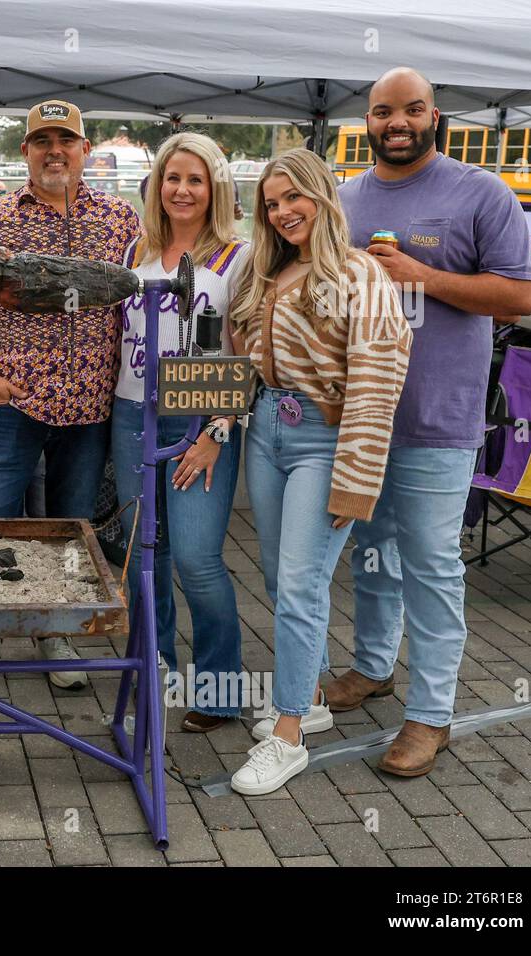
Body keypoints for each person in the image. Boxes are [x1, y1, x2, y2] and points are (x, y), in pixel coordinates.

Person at [332, 68, 531, 776]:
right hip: (359, 419)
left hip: (438, 419)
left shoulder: (481, 191)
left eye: (411, 109)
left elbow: (520, 296)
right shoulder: (343, 195)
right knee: (372, 555)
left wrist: (419, 276)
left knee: (431, 567)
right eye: (384, 111)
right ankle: (371, 667)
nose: (398, 122)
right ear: (368, 120)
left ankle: (431, 714)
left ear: (434, 115)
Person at [227, 148, 411, 794]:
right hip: (268, 432)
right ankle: (308, 698)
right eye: (271, 204)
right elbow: (242, 355)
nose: (281, 213)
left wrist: (356, 478)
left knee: (302, 582)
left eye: (292, 198)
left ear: (322, 195)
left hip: (325, 439)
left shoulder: (361, 275)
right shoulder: (265, 270)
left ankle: (288, 736)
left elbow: (377, 378)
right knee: (281, 580)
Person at [0, 99, 142, 696]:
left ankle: (55, 631)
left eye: (67, 139)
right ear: (24, 151)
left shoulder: (122, 220)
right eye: (42, 141)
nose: (54, 150)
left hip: (91, 405)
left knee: (71, 526)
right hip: (14, 399)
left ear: (86, 148)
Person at [113, 132, 250, 732]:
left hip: (200, 420)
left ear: (215, 187)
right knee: (147, 552)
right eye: (173, 178)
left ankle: (220, 687)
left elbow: (248, 356)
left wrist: (215, 431)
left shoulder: (238, 257)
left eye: (196, 179)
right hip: (130, 413)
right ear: (157, 185)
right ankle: (157, 665)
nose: (182, 190)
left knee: (195, 558)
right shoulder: (134, 250)